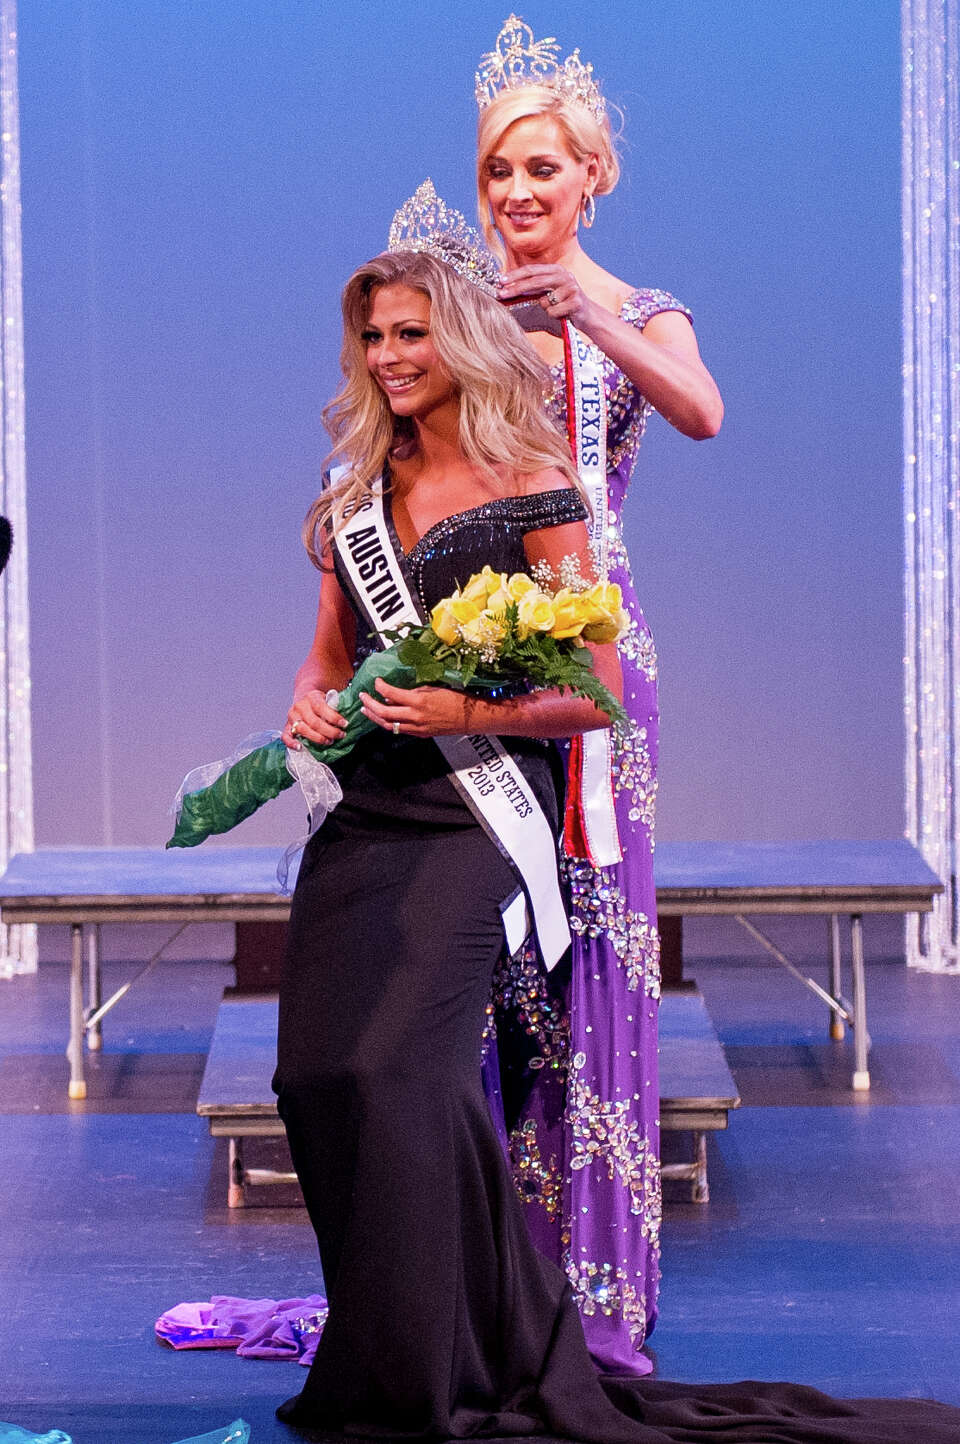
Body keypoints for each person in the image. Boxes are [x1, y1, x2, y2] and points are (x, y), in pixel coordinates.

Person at [268, 226, 960, 1443]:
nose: (387, 355)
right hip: (365, 818)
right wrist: (312, 705)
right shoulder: (348, 501)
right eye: (372, 336)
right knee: (316, 1077)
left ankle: (451, 1369)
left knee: (403, 1074)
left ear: (461, 338)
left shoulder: (536, 485)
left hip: (472, 818)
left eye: (411, 333)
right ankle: (388, 1348)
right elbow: (323, 667)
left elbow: (592, 693)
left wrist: (464, 707)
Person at [468, 15, 723, 1376]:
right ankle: (493, 1295)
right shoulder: (454, 304)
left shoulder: (642, 305)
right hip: (477, 667)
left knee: (599, 948)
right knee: (498, 965)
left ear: (593, 176)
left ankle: (597, 1308)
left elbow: (701, 410)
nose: (519, 194)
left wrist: (589, 317)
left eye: (544, 171)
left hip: (599, 666)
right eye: (502, 170)